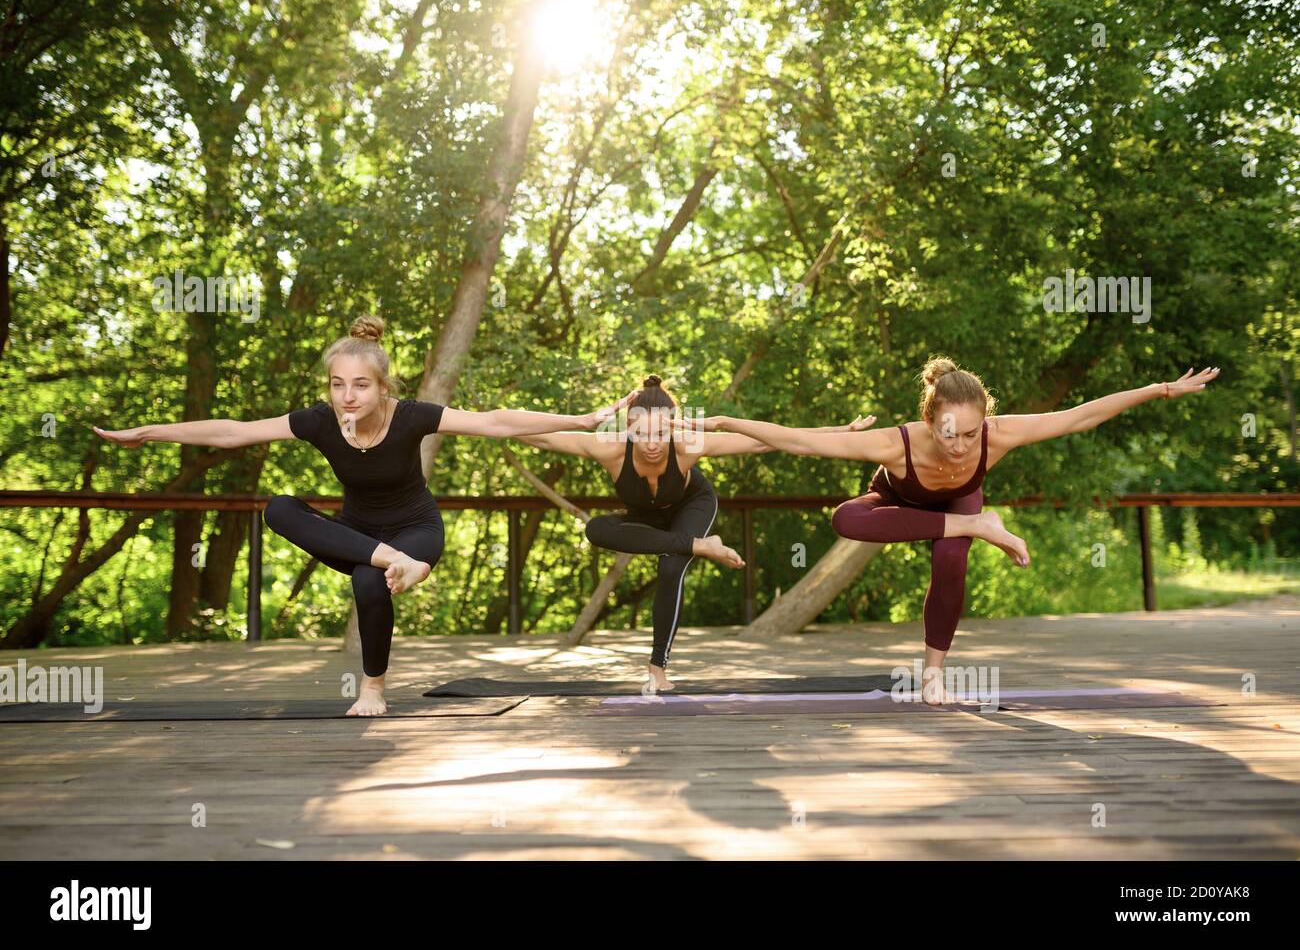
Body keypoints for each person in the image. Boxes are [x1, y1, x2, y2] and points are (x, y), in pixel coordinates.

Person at [93, 314, 634, 716]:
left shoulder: (414, 417)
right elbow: (233, 431)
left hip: (417, 533)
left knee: (369, 583)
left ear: (382, 387)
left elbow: (495, 421)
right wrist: (151, 432)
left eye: (360, 385)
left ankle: (372, 686)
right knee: (279, 508)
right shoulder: (320, 422)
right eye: (337, 384)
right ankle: (389, 561)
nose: (347, 397)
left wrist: (582, 418)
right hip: (360, 535)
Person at [684, 357, 1221, 704]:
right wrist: (730, 423)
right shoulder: (895, 444)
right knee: (846, 517)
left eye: (969, 434)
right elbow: (799, 441)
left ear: (984, 423)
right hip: (903, 502)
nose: (960, 446)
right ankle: (976, 525)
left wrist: (1160, 390)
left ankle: (933, 672)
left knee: (951, 558)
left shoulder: (999, 435)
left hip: (957, 504)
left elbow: (1080, 416)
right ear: (927, 418)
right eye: (947, 433)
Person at [516, 374, 874, 692]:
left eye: (661, 433)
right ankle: (701, 545)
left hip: (691, 506)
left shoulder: (688, 445)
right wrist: (488, 422)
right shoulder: (608, 448)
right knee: (596, 529)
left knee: (671, 569)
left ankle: (657, 669)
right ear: (628, 429)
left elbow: (764, 441)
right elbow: (540, 439)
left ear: (673, 428)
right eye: (642, 434)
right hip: (647, 518)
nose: (652, 443)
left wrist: (840, 431)